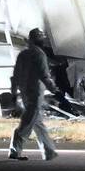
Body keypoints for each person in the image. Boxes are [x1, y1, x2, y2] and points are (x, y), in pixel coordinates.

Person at [8, 28, 64, 161]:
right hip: (35, 93)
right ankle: (15, 150)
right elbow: (44, 76)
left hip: (25, 92)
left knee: (37, 123)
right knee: (27, 122)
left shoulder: (23, 55)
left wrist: (14, 93)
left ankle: (48, 151)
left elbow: (15, 76)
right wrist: (55, 89)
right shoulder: (40, 55)